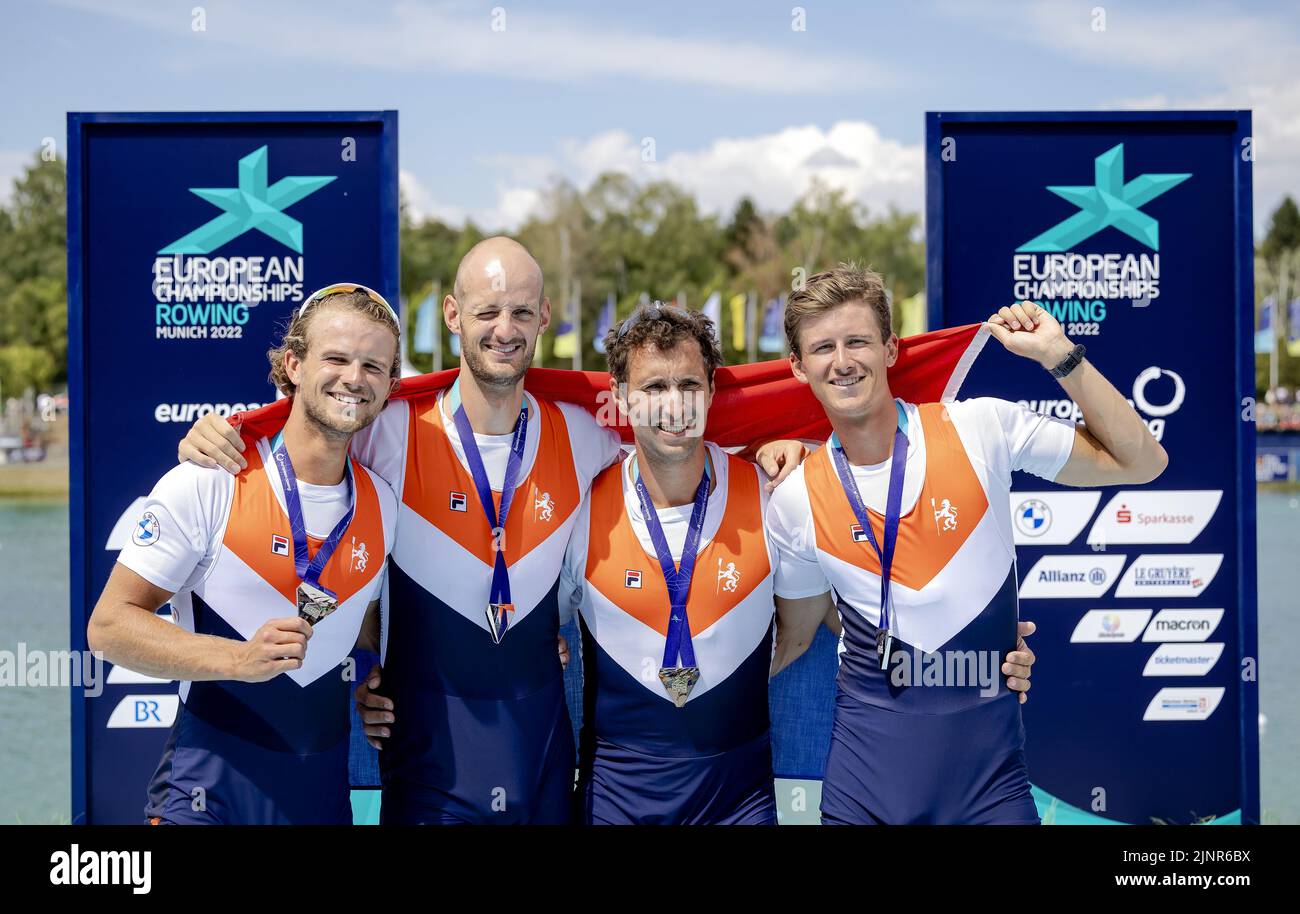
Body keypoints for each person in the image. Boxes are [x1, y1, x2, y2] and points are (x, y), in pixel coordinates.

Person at [177, 238, 806, 823]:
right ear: (453, 314)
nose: (504, 330)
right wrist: (232, 429)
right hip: (428, 771)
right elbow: (315, 431)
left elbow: (678, 428)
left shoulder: (585, 434)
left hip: (544, 769)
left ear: (543, 318)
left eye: (521, 312)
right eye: (487, 312)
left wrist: (778, 437)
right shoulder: (386, 431)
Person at [558, 303, 1036, 824]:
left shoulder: (772, 496)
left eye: (690, 385)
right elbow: (534, 631)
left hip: (737, 802)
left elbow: (853, 612)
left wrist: (982, 653)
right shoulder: (582, 510)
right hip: (618, 800)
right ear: (621, 396)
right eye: (653, 389)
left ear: (713, 392)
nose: (674, 406)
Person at [767, 264, 1168, 825]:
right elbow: (801, 633)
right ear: (797, 366)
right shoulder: (794, 500)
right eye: (823, 347)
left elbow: (1142, 461)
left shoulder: (982, 428)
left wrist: (1061, 356)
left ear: (890, 349)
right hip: (862, 793)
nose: (843, 360)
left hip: (990, 790)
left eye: (857, 340)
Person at [87, 284, 402, 824]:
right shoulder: (211, 480)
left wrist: (377, 687)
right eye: (336, 357)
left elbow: (362, 618)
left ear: (391, 384)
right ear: (294, 364)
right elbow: (109, 627)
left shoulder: (384, 502)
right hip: (207, 795)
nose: (354, 378)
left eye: (374, 365)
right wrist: (238, 660)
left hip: (321, 800)